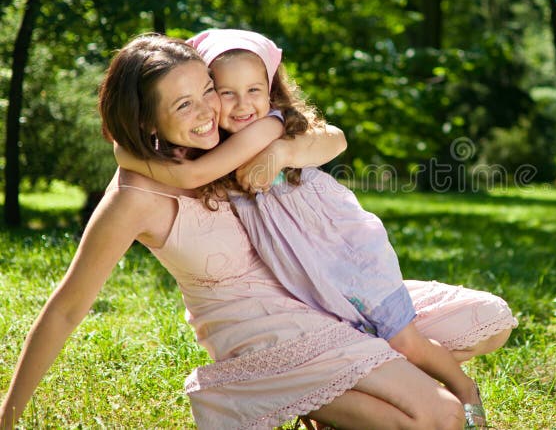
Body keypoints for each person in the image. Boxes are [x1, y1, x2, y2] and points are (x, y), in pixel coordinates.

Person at [0, 34, 517, 429]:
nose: (208, 111)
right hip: (265, 335)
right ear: (147, 120)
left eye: (207, 90)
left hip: (318, 293)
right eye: (184, 105)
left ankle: (328, 400)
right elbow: (67, 307)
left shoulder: (227, 140)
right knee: (442, 417)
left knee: (489, 320)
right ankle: (292, 392)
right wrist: (8, 416)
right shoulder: (134, 199)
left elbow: (327, 137)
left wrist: (284, 148)